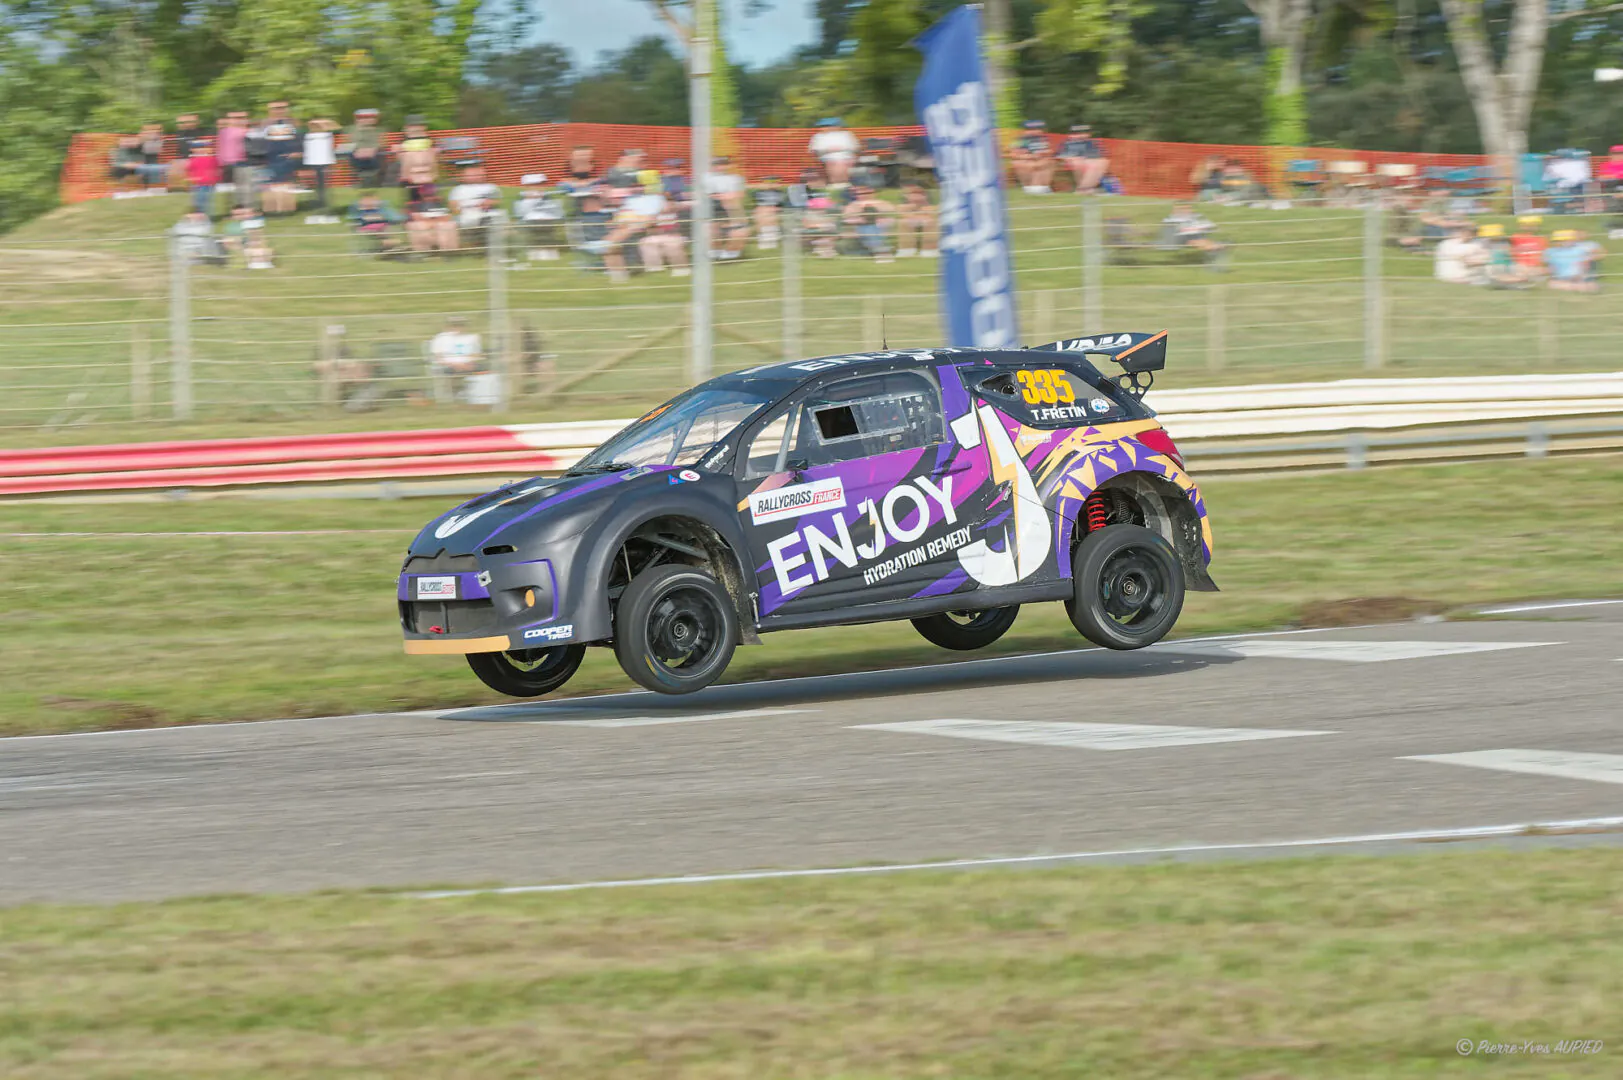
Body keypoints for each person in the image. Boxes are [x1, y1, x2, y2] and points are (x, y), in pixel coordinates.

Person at [428, 315, 486, 402]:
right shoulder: (440, 338)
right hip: (449, 365)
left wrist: (469, 363)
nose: (457, 328)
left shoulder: (472, 338)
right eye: (454, 325)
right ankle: (454, 395)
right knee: (449, 371)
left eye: (460, 325)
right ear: (448, 326)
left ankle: (477, 396)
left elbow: (477, 354)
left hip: (468, 365)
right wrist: (453, 364)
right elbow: (438, 357)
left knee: (483, 369)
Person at [448, 163, 504, 248]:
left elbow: (496, 201)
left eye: (476, 174)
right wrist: (461, 210)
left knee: (494, 218)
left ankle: (489, 246)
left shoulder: (490, 187)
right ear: (463, 176)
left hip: (486, 213)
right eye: (469, 175)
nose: (474, 176)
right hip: (466, 215)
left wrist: (488, 203)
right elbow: (453, 206)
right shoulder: (458, 189)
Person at [260, 101, 301, 214]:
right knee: (271, 183)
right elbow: (260, 141)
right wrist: (261, 157)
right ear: (270, 110)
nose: (278, 111)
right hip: (270, 157)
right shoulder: (265, 123)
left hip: (288, 157)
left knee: (287, 182)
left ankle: (287, 208)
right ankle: (272, 209)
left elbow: (298, 138)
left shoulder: (292, 122)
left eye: (281, 108)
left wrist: (297, 151)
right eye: (275, 108)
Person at [511, 174, 566, 260]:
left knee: (547, 233)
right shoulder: (521, 199)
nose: (538, 188)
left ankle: (550, 252)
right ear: (527, 187)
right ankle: (535, 253)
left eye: (540, 184)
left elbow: (557, 212)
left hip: (547, 224)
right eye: (534, 185)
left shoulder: (548, 198)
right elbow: (519, 215)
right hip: (530, 225)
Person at [705, 156, 750, 260]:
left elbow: (739, 194)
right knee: (712, 228)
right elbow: (708, 194)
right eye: (717, 164)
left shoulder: (736, 178)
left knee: (733, 205)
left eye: (724, 164)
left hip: (730, 206)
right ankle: (716, 250)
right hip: (714, 207)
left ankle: (732, 250)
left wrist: (727, 196)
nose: (721, 167)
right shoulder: (707, 177)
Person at [404, 166, 457, 253]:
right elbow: (415, 216)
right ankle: (424, 253)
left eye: (432, 195)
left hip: (435, 219)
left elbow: (447, 216)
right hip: (420, 220)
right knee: (420, 226)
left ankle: (448, 253)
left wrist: (433, 223)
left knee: (447, 225)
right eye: (427, 195)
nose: (430, 197)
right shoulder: (412, 195)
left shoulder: (438, 196)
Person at [842, 185, 895, 262]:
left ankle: (881, 253)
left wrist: (873, 208)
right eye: (861, 194)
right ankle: (883, 253)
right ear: (857, 195)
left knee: (872, 227)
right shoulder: (852, 205)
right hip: (861, 228)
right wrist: (860, 215)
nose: (865, 195)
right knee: (868, 227)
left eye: (868, 193)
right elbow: (847, 219)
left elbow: (891, 213)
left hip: (881, 227)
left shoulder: (882, 203)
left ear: (873, 193)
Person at [1058, 124, 1110, 195]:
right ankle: (1083, 189)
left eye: (1084, 133)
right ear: (1071, 135)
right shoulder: (1067, 143)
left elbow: (1097, 155)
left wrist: (1089, 159)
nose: (1081, 135)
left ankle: (1086, 188)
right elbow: (1061, 155)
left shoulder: (1092, 143)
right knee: (1079, 162)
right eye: (1076, 133)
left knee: (1102, 162)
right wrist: (1072, 158)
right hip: (1072, 160)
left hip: (1088, 160)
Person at [809, 117, 859, 186]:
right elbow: (814, 150)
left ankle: (841, 183)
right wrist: (829, 150)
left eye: (827, 126)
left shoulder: (847, 134)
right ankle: (838, 183)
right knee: (836, 163)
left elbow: (855, 147)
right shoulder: (818, 136)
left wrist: (843, 150)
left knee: (842, 163)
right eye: (823, 126)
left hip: (846, 157)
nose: (823, 128)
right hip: (827, 157)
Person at [895, 182, 938, 257]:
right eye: (913, 194)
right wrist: (916, 212)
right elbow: (902, 212)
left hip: (927, 221)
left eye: (919, 194)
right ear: (908, 196)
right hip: (911, 221)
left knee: (932, 222)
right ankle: (906, 251)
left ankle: (930, 251)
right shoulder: (904, 206)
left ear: (925, 196)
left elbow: (932, 213)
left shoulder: (929, 205)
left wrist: (917, 214)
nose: (916, 196)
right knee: (903, 222)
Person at [302, 118, 337, 209]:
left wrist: (324, 123)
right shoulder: (306, 135)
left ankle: (324, 201)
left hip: (325, 162)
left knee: (324, 183)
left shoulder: (328, 135)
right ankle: (316, 201)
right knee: (314, 183)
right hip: (311, 162)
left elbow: (337, 128)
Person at [1012, 120, 1054, 194]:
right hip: (1027, 160)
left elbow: (1050, 151)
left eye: (1038, 129)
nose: (1035, 131)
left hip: (1041, 160)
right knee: (1019, 163)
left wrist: (1043, 153)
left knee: (1048, 162)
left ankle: (1043, 187)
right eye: (1031, 129)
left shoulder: (1043, 139)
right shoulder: (1021, 140)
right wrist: (1029, 156)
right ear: (1026, 131)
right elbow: (1014, 154)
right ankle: (1029, 188)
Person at [344, 108, 383, 189]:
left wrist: (372, 149)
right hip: (358, 153)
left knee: (379, 155)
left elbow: (380, 143)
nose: (366, 120)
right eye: (362, 118)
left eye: (369, 118)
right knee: (352, 155)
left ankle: (371, 180)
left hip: (374, 153)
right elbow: (352, 142)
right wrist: (358, 149)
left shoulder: (379, 130)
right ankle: (363, 181)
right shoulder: (352, 130)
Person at [185, 137, 221, 216]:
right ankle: (202, 216)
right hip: (198, 184)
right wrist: (190, 181)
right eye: (197, 148)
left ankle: (206, 216)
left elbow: (217, 169)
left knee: (204, 201)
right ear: (192, 150)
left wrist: (216, 179)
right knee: (199, 201)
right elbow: (189, 170)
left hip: (207, 184)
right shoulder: (193, 160)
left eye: (203, 148)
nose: (200, 150)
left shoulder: (211, 159)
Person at [1509, 216, 1549, 283]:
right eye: (1527, 225)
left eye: (1533, 225)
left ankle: (1523, 279)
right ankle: (1524, 278)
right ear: (1521, 226)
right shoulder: (1516, 237)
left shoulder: (1541, 239)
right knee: (1519, 268)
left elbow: (1544, 256)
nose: (1530, 227)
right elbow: (1511, 253)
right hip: (1520, 266)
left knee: (1544, 270)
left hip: (1535, 267)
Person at [752, 177, 785, 249]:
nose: (771, 184)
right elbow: (759, 204)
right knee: (762, 214)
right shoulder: (759, 192)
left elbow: (780, 205)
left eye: (774, 182)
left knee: (768, 215)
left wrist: (772, 209)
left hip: (774, 211)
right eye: (769, 183)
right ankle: (765, 237)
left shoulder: (779, 192)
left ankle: (769, 238)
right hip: (763, 211)